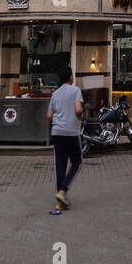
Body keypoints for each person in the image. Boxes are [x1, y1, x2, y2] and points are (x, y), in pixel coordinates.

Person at [46, 68, 83, 214]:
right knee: (77, 162)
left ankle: (60, 203)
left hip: (57, 132)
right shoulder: (75, 91)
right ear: (70, 77)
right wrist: (80, 117)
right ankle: (62, 190)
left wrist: (58, 121)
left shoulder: (55, 94)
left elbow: (49, 116)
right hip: (71, 132)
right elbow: (78, 110)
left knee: (60, 164)